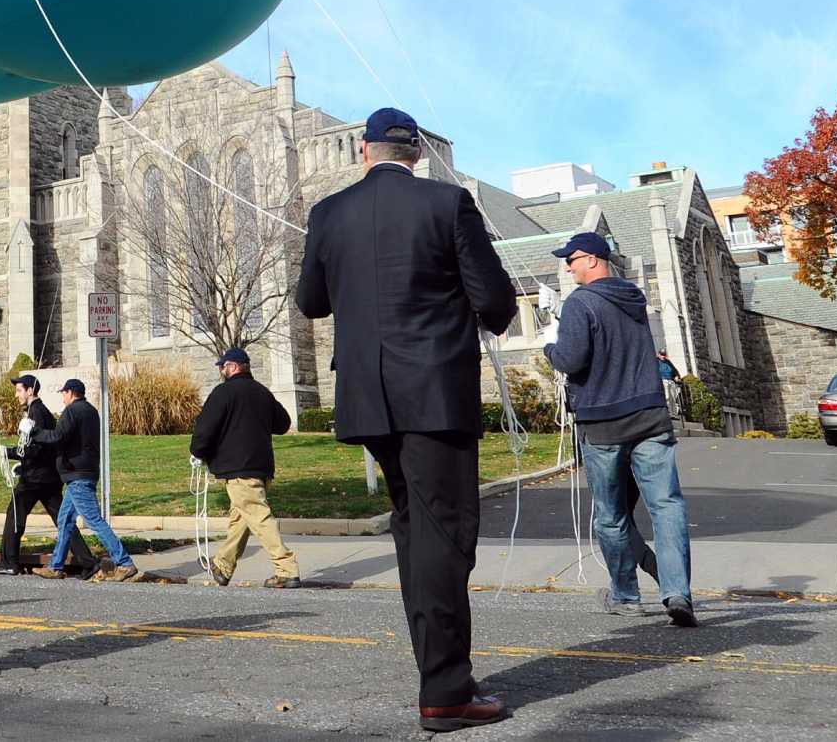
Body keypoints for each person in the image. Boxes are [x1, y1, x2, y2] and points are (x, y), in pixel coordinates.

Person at [295, 106, 518, 732]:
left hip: (368, 397)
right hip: (435, 393)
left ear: (364, 152)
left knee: (416, 532)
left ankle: (442, 676)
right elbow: (496, 300)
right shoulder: (448, 205)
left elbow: (310, 301)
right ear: (415, 153)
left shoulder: (328, 214)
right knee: (445, 533)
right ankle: (445, 692)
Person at [543, 232, 696, 627]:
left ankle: (626, 595)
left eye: (572, 259)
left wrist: (550, 344)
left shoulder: (581, 302)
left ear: (593, 260)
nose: (568, 266)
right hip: (650, 418)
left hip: (603, 424)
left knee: (611, 516)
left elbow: (570, 360)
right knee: (667, 507)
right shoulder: (632, 299)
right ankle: (676, 590)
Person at [190, 348, 300, 588]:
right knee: (241, 518)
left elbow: (205, 428)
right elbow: (283, 424)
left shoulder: (223, 392)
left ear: (234, 366)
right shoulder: (262, 392)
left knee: (259, 517)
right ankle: (223, 565)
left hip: (238, 468)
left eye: (223, 366)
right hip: (261, 466)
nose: (221, 370)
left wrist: (198, 451)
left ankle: (287, 568)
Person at [33, 379, 139, 582]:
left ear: (71, 393)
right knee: (64, 520)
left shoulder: (72, 411)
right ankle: (55, 566)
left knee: (94, 520)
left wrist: (34, 432)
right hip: (83, 472)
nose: (62, 397)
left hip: (77, 474)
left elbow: (57, 436)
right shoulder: (91, 411)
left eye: (63, 393)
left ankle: (124, 562)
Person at [0, 374, 97, 577]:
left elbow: (33, 449)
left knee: (14, 516)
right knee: (63, 520)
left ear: (30, 391)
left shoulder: (35, 413)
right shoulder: (38, 411)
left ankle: (10, 562)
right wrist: (20, 463)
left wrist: (9, 452)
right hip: (48, 477)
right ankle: (88, 562)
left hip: (35, 479)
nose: (16, 395)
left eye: (19, 390)